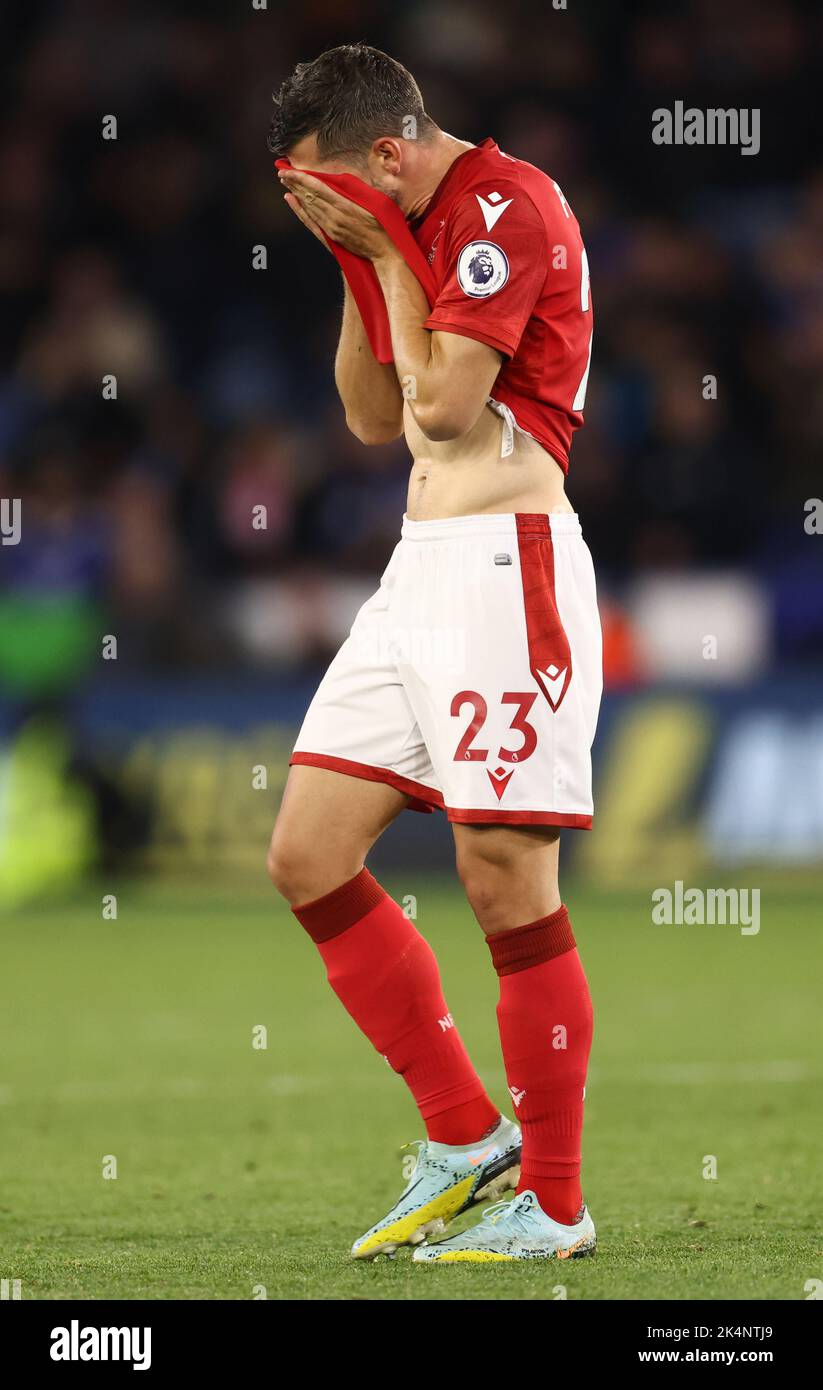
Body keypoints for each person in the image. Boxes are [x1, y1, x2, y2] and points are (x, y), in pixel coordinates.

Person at [266, 43, 601, 1263]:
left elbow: (451, 408)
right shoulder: (403, 229)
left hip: (507, 562)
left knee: (505, 876)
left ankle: (556, 1206)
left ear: (388, 156)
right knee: (306, 852)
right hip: (421, 566)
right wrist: (358, 262)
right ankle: (466, 1136)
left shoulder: (509, 206)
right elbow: (373, 416)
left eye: (333, 190)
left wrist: (387, 254)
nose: (326, 211)